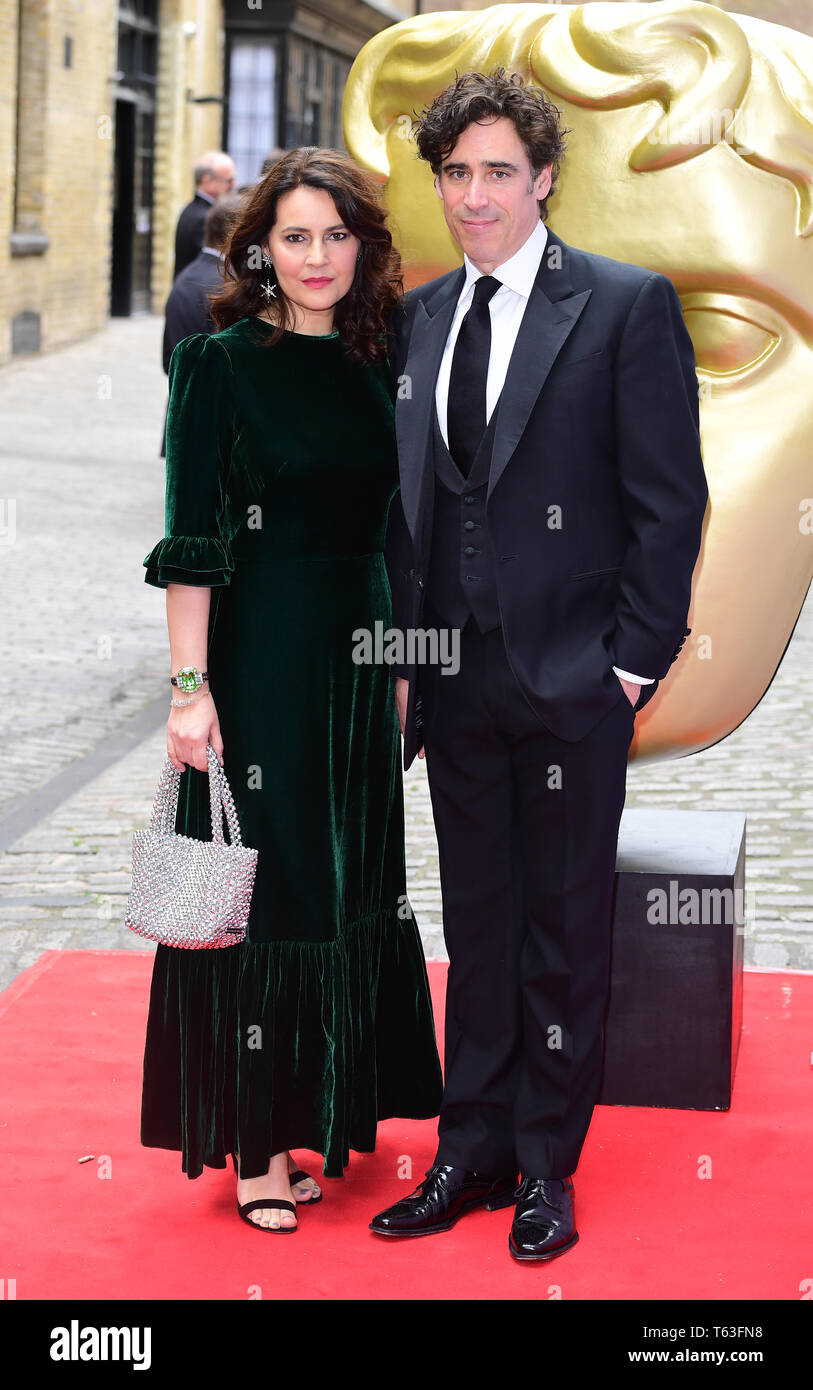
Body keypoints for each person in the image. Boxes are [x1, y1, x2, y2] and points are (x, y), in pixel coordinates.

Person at [371, 69, 708, 1260]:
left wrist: (626, 670)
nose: (474, 196)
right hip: (455, 690)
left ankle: (549, 1167)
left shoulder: (621, 307)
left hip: (573, 686)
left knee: (566, 930)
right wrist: (406, 667)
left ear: (545, 177)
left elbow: (669, 506)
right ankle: (472, 1145)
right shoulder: (417, 318)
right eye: (456, 173)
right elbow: (408, 520)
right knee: (482, 919)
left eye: (498, 171)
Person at [140, 147, 443, 1232]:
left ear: (364, 246)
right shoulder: (219, 364)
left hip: (361, 670)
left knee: (349, 885)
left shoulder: (383, 363)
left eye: (337, 235)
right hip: (261, 659)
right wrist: (188, 689)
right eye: (296, 236)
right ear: (260, 247)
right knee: (264, 895)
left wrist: (405, 664)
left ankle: (323, 1106)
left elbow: (404, 529)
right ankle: (258, 1146)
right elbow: (190, 543)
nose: (317, 257)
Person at [159, 194, 242, 458]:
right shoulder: (221, 287)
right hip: (210, 428)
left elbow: (168, 361)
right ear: (235, 233)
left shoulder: (194, 275)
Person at [173, 151, 237, 279]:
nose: (234, 185)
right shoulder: (205, 217)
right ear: (207, 181)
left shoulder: (190, 208)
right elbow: (212, 265)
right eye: (229, 181)